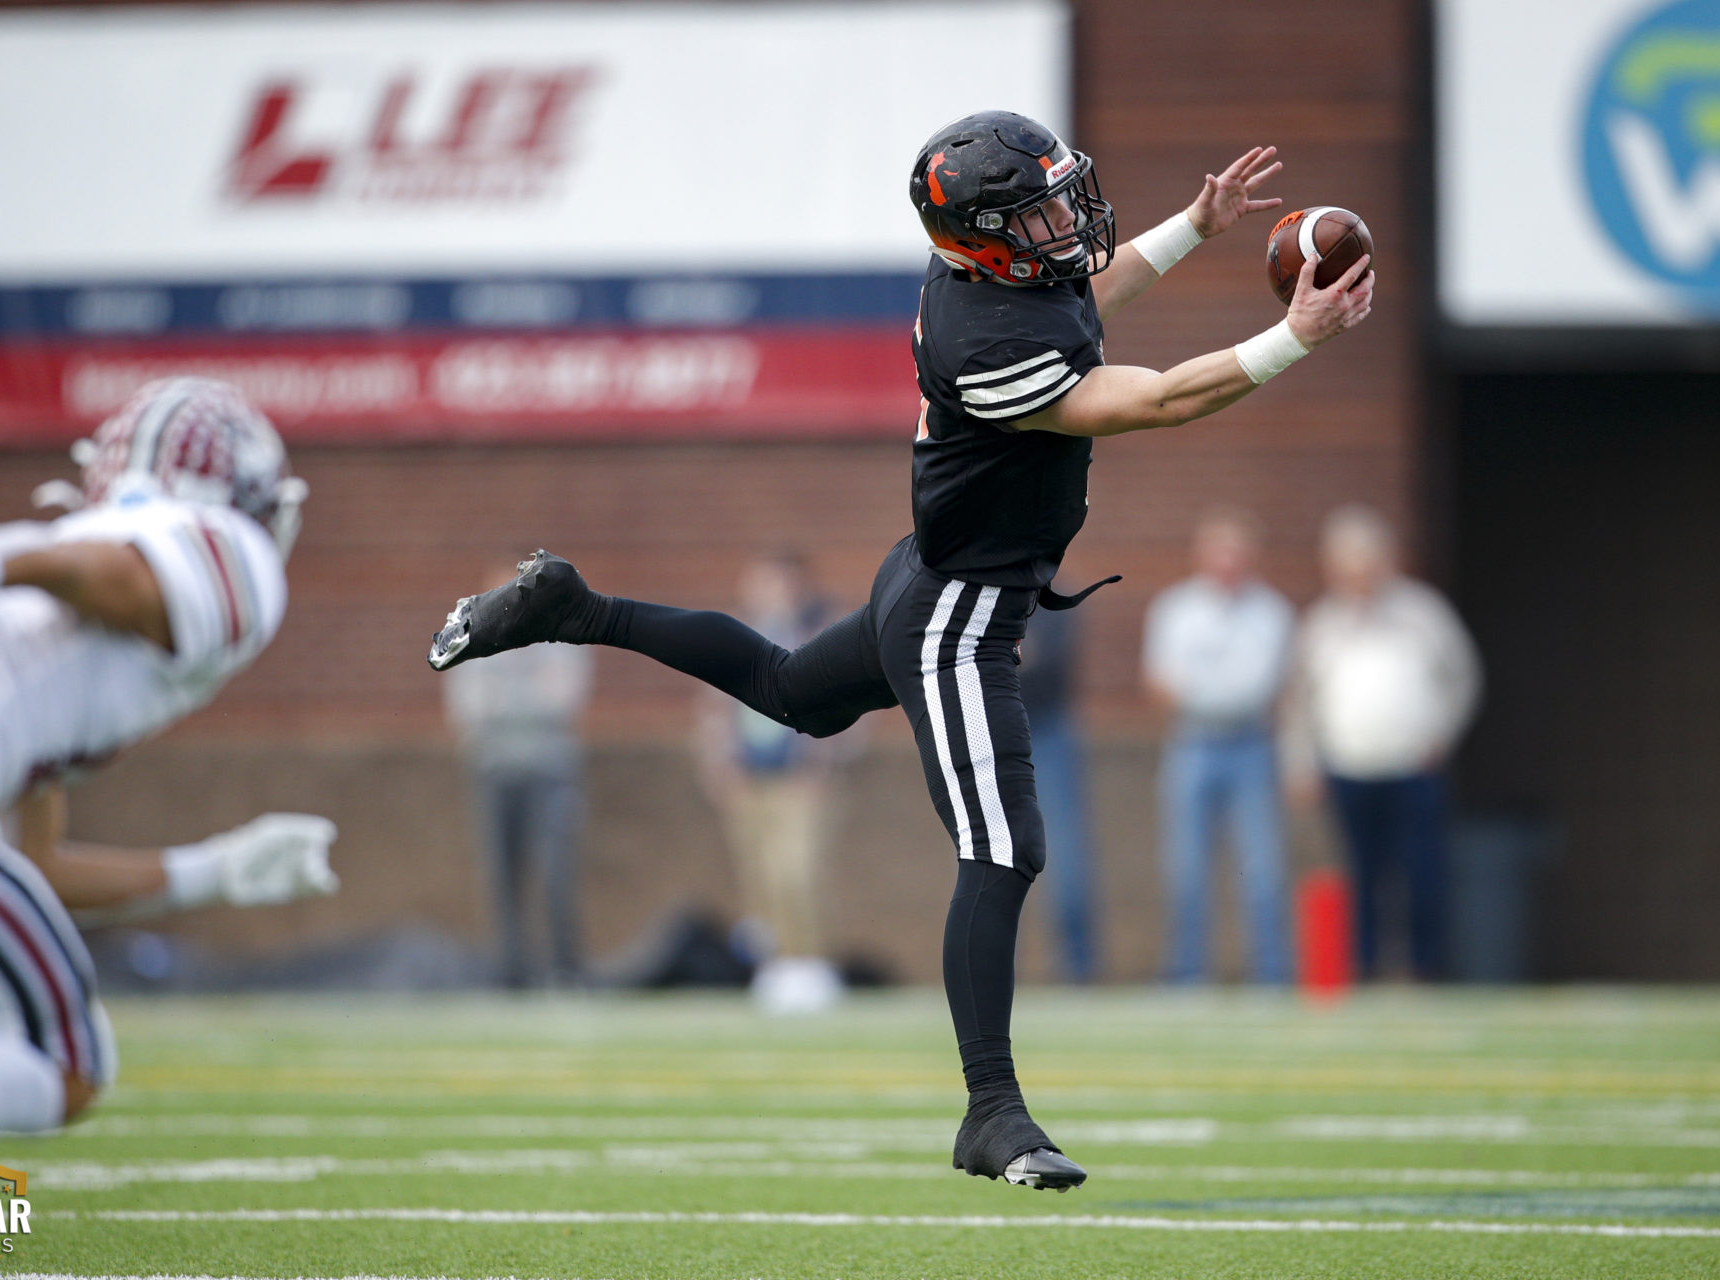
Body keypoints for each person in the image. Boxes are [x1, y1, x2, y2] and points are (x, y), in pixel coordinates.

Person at [428, 110, 1374, 1191]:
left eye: (1062, 198)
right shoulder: (985, 341)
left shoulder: (997, 281)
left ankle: (574, 605)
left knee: (790, 689)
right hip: (960, 612)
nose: (1067, 224)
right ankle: (992, 1110)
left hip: (920, 576)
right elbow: (1154, 398)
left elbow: (1086, 301)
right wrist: (1295, 337)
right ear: (984, 236)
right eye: (1041, 210)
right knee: (1004, 849)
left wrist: (1194, 227)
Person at [0, 377, 339, 1138]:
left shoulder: (48, 573)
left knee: (56, 1049)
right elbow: (125, 581)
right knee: (65, 1056)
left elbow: (32, 862)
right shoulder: (224, 551)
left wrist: (216, 870)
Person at [1285, 504, 1480, 982]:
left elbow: (1464, 679)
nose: (1360, 576)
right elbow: (1300, 702)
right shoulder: (1321, 624)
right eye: (1348, 567)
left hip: (1412, 764)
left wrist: (1441, 737)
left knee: (1423, 873)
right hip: (1347, 766)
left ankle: (1424, 968)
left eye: (1367, 563)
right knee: (1361, 875)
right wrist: (1299, 763)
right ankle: (1365, 968)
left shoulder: (1423, 613)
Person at [1143, 510, 1294, 984]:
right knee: (1185, 866)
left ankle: (1272, 976)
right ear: (1200, 557)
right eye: (1219, 552)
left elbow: (1265, 685)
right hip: (1192, 741)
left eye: (1237, 552)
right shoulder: (1174, 609)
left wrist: (1205, 687)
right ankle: (1186, 974)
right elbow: (1161, 685)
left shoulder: (1272, 612)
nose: (1228, 562)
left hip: (1251, 743)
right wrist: (1215, 691)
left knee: (1263, 867)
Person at [695, 553, 844, 1014]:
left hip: (794, 779)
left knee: (793, 872)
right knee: (758, 877)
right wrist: (719, 764)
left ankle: (808, 960)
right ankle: (776, 964)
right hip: (749, 778)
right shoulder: (736, 639)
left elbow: (840, 706)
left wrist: (819, 765)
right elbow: (715, 708)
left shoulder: (814, 639)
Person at [444, 589, 592, 988]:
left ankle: (565, 969)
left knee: (555, 872)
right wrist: (529, 691)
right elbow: (470, 707)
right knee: (501, 877)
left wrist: (506, 695)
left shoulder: (561, 640)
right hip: (495, 773)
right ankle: (511, 975)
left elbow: (562, 701)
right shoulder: (471, 641)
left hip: (549, 773)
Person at [1019, 605, 1098, 983]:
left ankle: (1078, 970)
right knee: (986, 857)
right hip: (992, 728)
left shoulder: (1052, 596)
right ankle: (990, 970)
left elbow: (1045, 665)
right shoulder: (975, 590)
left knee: (1065, 855)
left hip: (1047, 730)